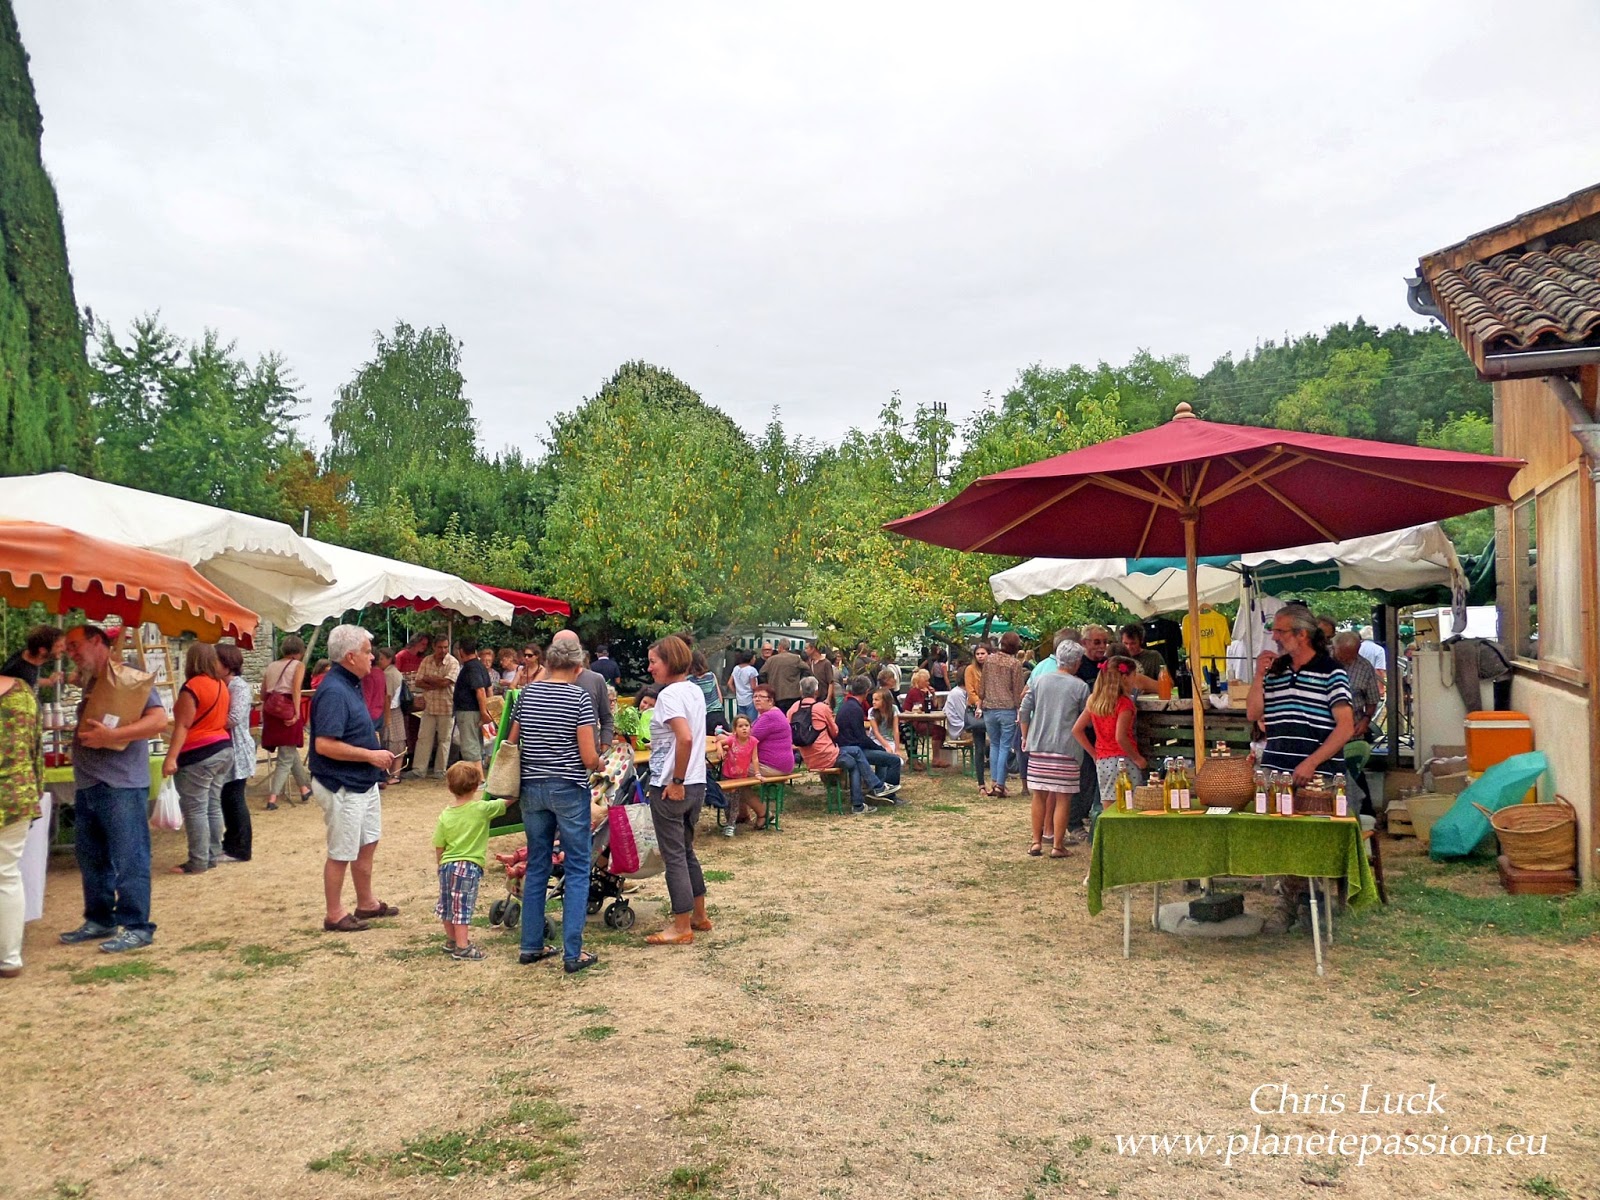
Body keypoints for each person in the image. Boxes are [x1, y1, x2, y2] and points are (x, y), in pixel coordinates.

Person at [1247, 605, 1354, 933]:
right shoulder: (1276, 669)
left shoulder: (1330, 670)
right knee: (1281, 836)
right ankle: (1299, 899)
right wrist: (1259, 675)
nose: (1274, 638)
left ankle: (1299, 902)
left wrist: (1312, 761)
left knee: (1309, 836)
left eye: (1281, 632)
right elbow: (1253, 712)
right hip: (1278, 766)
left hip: (1318, 771)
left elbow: (1346, 727)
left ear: (1302, 634)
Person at [60, 625, 166, 953]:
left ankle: (137, 927)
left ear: (97, 642)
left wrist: (113, 738)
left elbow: (160, 720)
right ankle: (100, 918)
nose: (71, 653)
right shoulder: (93, 680)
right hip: (89, 783)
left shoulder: (129, 677)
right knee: (92, 858)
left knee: (129, 857)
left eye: (76, 646)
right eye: (68, 649)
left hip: (120, 784)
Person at [512, 635, 602, 972]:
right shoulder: (579, 698)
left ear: (547, 663)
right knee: (578, 867)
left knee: (537, 865)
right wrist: (599, 763)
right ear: (578, 667)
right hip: (567, 787)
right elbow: (588, 755)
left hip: (532, 788)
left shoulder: (527, 694)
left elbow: (512, 740)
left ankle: (531, 944)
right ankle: (573, 952)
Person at [308, 624, 399, 933]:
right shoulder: (334, 690)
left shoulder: (350, 683)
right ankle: (334, 914)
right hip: (342, 783)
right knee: (342, 850)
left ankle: (366, 902)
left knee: (367, 841)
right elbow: (324, 744)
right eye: (367, 651)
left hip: (362, 782)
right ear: (350, 656)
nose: (372, 657)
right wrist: (370, 755)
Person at [642, 635, 713, 945]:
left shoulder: (669, 695)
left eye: (654, 661)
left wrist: (676, 781)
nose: (649, 667)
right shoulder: (694, 690)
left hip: (673, 785)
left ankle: (681, 926)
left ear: (669, 662)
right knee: (686, 851)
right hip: (697, 781)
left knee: (674, 856)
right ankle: (699, 915)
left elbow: (683, 738)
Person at [162, 643, 233, 875]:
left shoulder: (192, 687)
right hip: (222, 747)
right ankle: (212, 854)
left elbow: (183, 725)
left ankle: (198, 860)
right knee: (212, 805)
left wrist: (170, 758)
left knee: (195, 809)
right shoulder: (221, 685)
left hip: (198, 753)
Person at [1019, 641, 1091, 857]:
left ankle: (1036, 842)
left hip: (1039, 745)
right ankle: (1058, 845)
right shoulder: (1080, 687)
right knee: (1063, 798)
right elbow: (1085, 720)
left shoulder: (1039, 681)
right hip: (1067, 749)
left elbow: (1024, 710)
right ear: (1077, 662)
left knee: (1038, 795)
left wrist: (1025, 736)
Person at [430, 760, 503, 961]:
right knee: (461, 907)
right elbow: (507, 802)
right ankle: (462, 946)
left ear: (449, 787)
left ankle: (451, 940)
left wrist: (440, 865)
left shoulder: (446, 814)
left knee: (447, 904)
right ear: (476, 785)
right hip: (467, 867)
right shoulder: (482, 809)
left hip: (446, 865)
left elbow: (439, 844)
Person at [1073, 655, 1147, 836]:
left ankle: (1111, 840)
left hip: (1103, 760)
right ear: (1124, 678)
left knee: (1108, 805)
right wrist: (1137, 758)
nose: (1134, 679)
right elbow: (1121, 737)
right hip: (1124, 760)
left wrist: (1093, 753)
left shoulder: (1094, 700)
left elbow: (1077, 730)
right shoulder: (1124, 703)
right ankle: (1130, 839)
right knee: (1130, 805)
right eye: (1132, 675)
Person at [0, 664, 43, 977]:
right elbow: (36, 747)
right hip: (17, 793)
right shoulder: (24, 693)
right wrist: (36, 790)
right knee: (6, 876)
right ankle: (10, 958)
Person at [261, 634, 313, 810]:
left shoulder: (271, 666)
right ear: (300, 651)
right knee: (286, 756)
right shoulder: (298, 665)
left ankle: (304, 788)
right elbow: (296, 689)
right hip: (287, 710)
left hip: (271, 712)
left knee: (289, 751)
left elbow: (262, 694)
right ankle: (272, 798)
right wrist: (297, 712)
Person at [215, 644, 256, 863]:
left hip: (237, 749)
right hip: (225, 748)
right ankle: (229, 842)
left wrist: (209, 722)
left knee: (234, 799)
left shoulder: (238, 686)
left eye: (216, 661)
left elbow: (234, 717)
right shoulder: (221, 685)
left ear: (227, 664)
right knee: (226, 799)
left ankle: (241, 848)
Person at [835, 676, 899, 808]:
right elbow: (861, 738)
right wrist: (879, 748)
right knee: (893, 760)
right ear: (867, 691)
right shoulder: (855, 709)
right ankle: (889, 796)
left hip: (845, 747)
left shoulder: (846, 706)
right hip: (854, 749)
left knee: (881, 756)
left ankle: (878, 793)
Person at [551, 630, 616, 749]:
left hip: (590, 757)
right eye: (559, 649)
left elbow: (606, 718)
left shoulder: (595, 679)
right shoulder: (542, 680)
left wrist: (604, 748)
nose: (564, 654)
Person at [980, 632, 1026, 798]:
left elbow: (982, 687)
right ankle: (1000, 784)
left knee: (994, 744)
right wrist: (1019, 708)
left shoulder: (989, 660)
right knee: (1005, 746)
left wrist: (983, 699)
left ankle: (994, 781)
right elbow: (1018, 690)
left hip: (989, 707)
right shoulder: (1015, 664)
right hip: (1007, 709)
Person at [412, 637, 460, 779]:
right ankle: (419, 770)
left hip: (447, 706)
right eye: (440, 647)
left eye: (445, 647)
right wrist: (437, 682)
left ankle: (440, 770)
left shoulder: (453, 662)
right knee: (423, 738)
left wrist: (430, 679)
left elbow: (446, 682)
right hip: (430, 706)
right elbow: (419, 682)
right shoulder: (427, 660)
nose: (443, 650)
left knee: (444, 740)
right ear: (434, 647)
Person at [716, 714, 764, 834]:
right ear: (735, 730)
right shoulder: (732, 740)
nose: (744, 728)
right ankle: (729, 822)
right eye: (740, 726)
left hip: (740, 778)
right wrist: (720, 749)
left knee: (736, 801)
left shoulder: (753, 742)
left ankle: (731, 826)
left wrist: (757, 773)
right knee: (726, 801)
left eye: (746, 726)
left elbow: (755, 759)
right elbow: (719, 742)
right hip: (727, 775)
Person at [453, 637, 495, 767]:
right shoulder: (480, 666)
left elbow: (481, 690)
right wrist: (488, 709)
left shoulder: (472, 667)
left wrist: (484, 711)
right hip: (474, 711)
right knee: (476, 743)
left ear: (461, 652)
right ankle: (478, 775)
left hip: (469, 711)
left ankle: (478, 777)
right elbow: (489, 689)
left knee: (470, 744)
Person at [394, 632, 430, 772]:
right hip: (406, 696)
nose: (424, 647)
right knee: (406, 728)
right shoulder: (402, 656)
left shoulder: (422, 658)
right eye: (422, 644)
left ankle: (414, 756)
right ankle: (405, 757)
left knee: (416, 727)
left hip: (420, 695)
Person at [749, 684, 795, 780]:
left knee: (732, 768)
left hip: (773, 766)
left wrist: (723, 739)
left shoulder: (769, 716)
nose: (757, 699)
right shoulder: (773, 713)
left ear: (770, 701)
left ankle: (746, 795)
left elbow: (747, 739)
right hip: (782, 765)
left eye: (761, 696)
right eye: (755, 696)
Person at [1, 624, 63, 692]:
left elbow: (25, 682)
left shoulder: (24, 656)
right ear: (42, 650)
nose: (63, 649)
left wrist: (48, 681)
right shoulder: (24, 672)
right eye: (59, 646)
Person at [376, 646, 406, 784]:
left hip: (392, 711)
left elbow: (388, 697)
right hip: (395, 710)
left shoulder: (389, 674)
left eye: (382, 658)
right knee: (396, 742)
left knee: (393, 743)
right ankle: (394, 774)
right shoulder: (393, 672)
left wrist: (386, 718)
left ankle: (394, 775)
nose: (379, 661)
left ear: (389, 659)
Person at [867, 687, 906, 789]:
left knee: (894, 758)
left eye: (876, 700)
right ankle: (881, 783)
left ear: (885, 701)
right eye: (873, 699)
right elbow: (876, 732)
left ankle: (889, 783)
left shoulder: (893, 709)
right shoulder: (872, 711)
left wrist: (897, 748)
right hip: (875, 740)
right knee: (883, 753)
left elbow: (895, 730)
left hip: (889, 739)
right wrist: (886, 746)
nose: (873, 702)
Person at [965, 643, 989, 791]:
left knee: (997, 746)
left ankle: (997, 781)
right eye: (978, 654)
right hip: (976, 709)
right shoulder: (970, 670)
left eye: (983, 653)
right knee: (979, 747)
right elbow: (970, 690)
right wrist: (980, 705)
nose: (980, 656)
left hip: (993, 708)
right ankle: (981, 783)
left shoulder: (992, 669)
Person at [761, 640, 806, 710]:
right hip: (793, 693)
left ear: (780, 647)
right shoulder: (796, 658)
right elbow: (807, 669)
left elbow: (762, 673)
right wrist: (801, 679)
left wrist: (768, 683)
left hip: (777, 693)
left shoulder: (771, 659)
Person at [689, 650, 726, 735]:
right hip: (717, 713)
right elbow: (720, 698)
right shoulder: (711, 675)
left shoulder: (689, 680)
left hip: (700, 716)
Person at [727, 649, 759, 722]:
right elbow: (753, 687)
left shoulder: (736, 668)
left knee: (741, 721)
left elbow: (729, 683)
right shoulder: (752, 670)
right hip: (750, 699)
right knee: (751, 722)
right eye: (754, 657)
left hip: (740, 699)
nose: (755, 659)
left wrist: (737, 692)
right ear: (750, 659)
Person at [804, 642, 836, 708]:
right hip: (815, 697)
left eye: (807, 648)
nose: (805, 650)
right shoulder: (811, 662)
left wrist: (828, 699)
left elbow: (831, 682)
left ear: (813, 649)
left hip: (824, 697)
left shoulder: (826, 663)